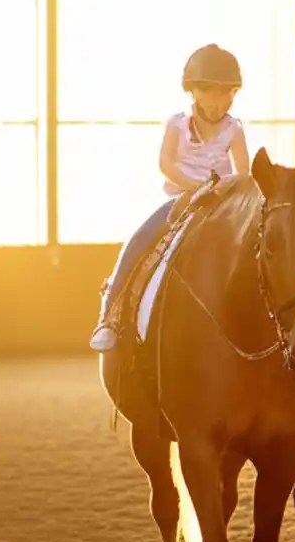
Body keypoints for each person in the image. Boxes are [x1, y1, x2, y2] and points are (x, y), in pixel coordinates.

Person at [88, 43, 250, 352]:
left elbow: (244, 172)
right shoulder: (176, 124)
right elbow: (166, 164)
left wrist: (222, 190)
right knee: (140, 240)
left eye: (226, 93)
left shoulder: (234, 130)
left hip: (221, 204)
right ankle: (109, 314)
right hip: (181, 201)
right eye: (210, 92)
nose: (218, 101)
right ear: (193, 92)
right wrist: (196, 187)